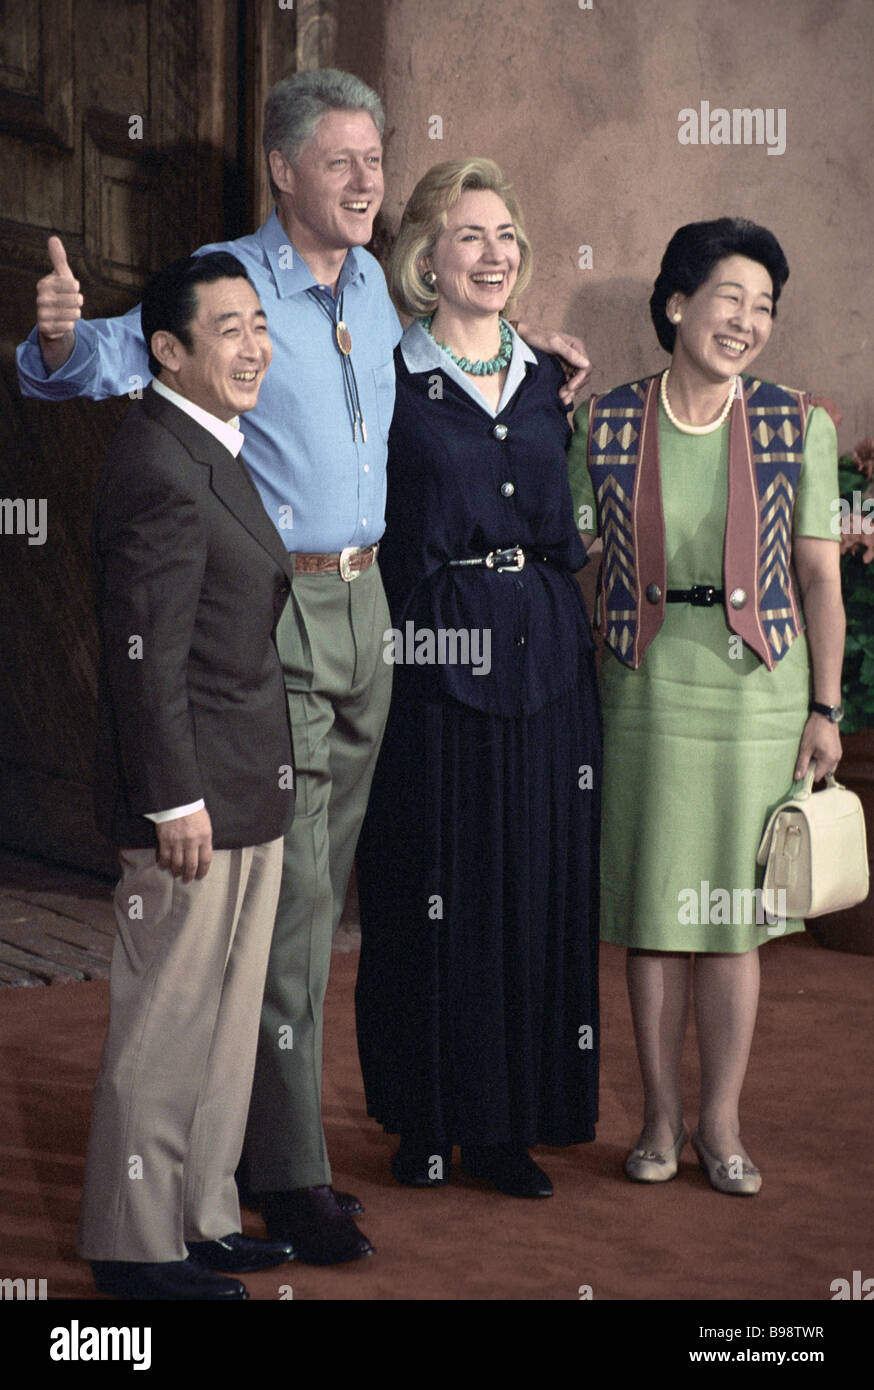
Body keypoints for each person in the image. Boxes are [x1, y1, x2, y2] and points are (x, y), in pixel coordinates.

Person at [16, 69, 590, 1263]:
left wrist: (538, 362)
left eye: (376, 160)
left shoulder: (378, 284)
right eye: (342, 161)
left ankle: (234, 1167)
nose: (368, 179)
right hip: (270, 619)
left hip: (372, 602)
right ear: (284, 172)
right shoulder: (230, 280)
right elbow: (114, 357)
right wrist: (57, 341)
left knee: (317, 905)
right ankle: (283, 1174)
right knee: (274, 911)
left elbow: (446, 368)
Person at [568, 217, 845, 1195]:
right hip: (643, 688)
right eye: (730, 296)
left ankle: (721, 1126)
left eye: (764, 305)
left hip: (756, 696)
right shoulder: (601, 423)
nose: (747, 320)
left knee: (733, 918)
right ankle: (658, 1119)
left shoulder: (792, 421)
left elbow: (819, 579)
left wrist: (824, 705)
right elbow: (580, 566)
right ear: (677, 301)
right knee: (654, 911)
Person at [354, 159, 601, 1198]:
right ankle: (426, 1117)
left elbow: (574, 525)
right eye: (469, 235)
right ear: (425, 256)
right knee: (429, 886)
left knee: (534, 886)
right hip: (433, 651)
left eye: (505, 235)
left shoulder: (550, 378)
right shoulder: (386, 374)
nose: (492, 254)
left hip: (546, 653)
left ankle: (509, 1126)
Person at [81, 251, 297, 1299]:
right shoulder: (160, 467)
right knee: (165, 1024)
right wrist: (175, 798)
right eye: (228, 329)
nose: (254, 346)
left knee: (221, 1026)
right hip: (194, 804)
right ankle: (133, 1245)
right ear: (167, 351)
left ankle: (203, 1217)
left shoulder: (211, 442)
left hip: (247, 791)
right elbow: (147, 657)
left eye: (260, 324)